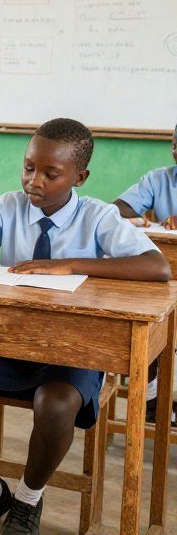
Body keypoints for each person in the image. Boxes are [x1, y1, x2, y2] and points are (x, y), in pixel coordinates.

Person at [0, 118, 170, 535]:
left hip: (75, 347)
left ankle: (27, 499)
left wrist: (71, 265)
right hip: (6, 338)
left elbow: (158, 267)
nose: (33, 181)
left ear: (80, 176)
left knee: (55, 403)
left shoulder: (99, 218)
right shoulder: (7, 206)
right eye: (28, 168)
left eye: (50, 173)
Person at [113, 122, 177, 426]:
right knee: (146, 323)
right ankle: (150, 398)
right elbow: (119, 208)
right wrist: (143, 219)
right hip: (162, 286)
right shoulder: (159, 179)